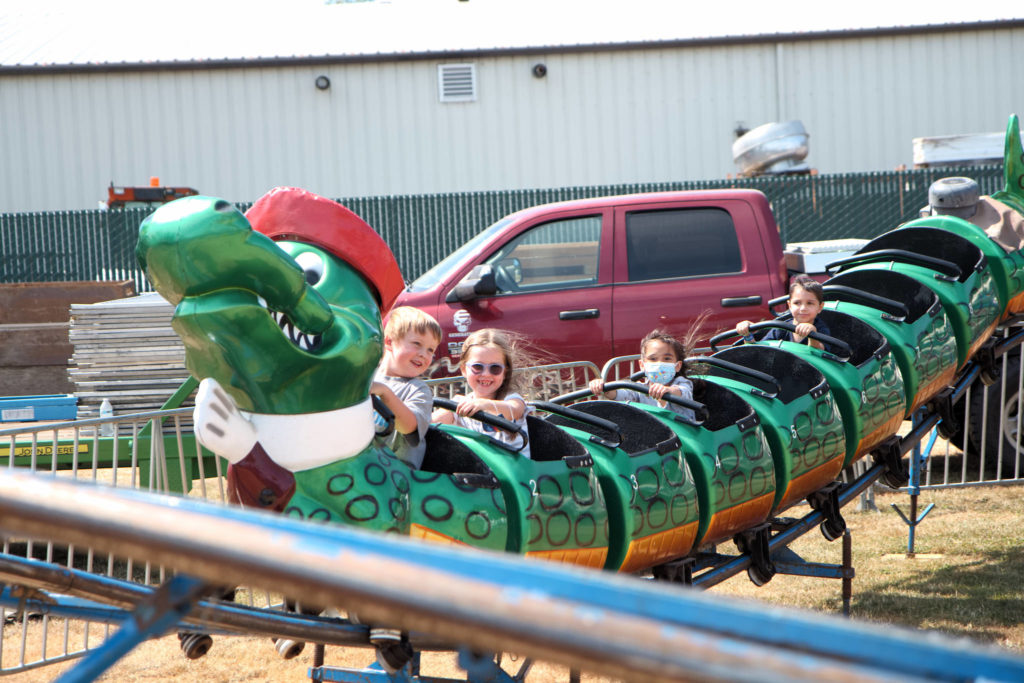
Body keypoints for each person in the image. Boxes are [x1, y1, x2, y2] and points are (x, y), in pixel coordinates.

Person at [431, 328, 533, 458]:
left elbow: (515, 409)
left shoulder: (510, 398)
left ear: (505, 372)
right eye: (477, 367)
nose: (486, 374)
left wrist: (484, 405)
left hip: (516, 473)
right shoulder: (459, 404)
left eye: (495, 368)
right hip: (483, 472)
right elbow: (428, 423)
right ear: (463, 369)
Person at [370, 306, 442, 469]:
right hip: (361, 464)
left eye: (431, 349)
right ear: (389, 341)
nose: (424, 354)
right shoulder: (367, 377)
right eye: (417, 344)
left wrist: (385, 393)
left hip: (397, 475)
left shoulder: (418, 390)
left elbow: (409, 427)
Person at [589, 329, 696, 421]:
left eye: (667, 359)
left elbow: (684, 392)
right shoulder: (641, 389)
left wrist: (668, 391)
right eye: (653, 359)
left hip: (685, 438)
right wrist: (603, 387)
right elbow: (621, 395)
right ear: (642, 365)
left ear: (677, 365)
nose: (659, 364)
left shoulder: (682, 382)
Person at [735, 274, 832, 351]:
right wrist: (747, 334)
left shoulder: (820, 329)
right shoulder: (780, 329)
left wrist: (812, 335)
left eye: (810, 303)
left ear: (820, 307)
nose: (803, 308)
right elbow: (759, 351)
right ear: (789, 305)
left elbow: (820, 353)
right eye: (797, 303)